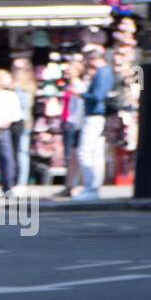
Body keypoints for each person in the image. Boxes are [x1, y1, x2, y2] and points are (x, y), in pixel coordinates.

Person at [76, 44, 113, 201]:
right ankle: (93, 188)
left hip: (95, 115)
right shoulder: (106, 72)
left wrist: (82, 94)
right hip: (99, 115)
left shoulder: (102, 73)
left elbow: (98, 96)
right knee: (97, 153)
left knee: (85, 152)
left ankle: (90, 187)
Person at [59, 59, 86, 197]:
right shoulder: (70, 86)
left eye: (70, 69)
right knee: (71, 156)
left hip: (74, 124)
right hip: (69, 123)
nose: (67, 71)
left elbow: (78, 107)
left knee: (74, 156)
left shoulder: (79, 86)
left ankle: (78, 185)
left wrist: (72, 121)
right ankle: (69, 185)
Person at [10, 57, 36, 188]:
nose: (16, 71)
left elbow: (25, 105)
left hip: (23, 122)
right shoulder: (10, 84)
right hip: (9, 122)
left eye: (19, 68)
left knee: (22, 152)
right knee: (12, 152)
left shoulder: (28, 85)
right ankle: (11, 179)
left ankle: (21, 182)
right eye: (14, 68)